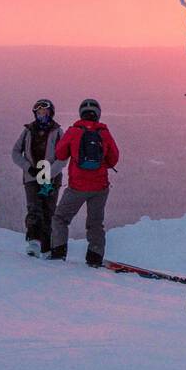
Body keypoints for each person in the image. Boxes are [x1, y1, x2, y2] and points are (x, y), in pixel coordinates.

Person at [50, 98, 120, 266]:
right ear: (98, 114)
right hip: (100, 187)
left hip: (77, 187)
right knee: (95, 223)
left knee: (60, 218)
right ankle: (95, 257)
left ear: (81, 113)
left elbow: (60, 154)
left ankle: (58, 253)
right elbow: (114, 159)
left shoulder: (74, 131)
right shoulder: (104, 133)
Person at [10, 98, 66, 258]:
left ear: (51, 113)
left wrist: (49, 173)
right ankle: (33, 242)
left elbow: (62, 157)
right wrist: (28, 168)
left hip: (51, 179)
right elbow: (15, 152)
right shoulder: (28, 131)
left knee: (49, 212)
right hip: (31, 177)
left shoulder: (57, 132)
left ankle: (47, 248)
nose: (42, 115)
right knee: (34, 209)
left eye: (45, 112)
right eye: (39, 112)